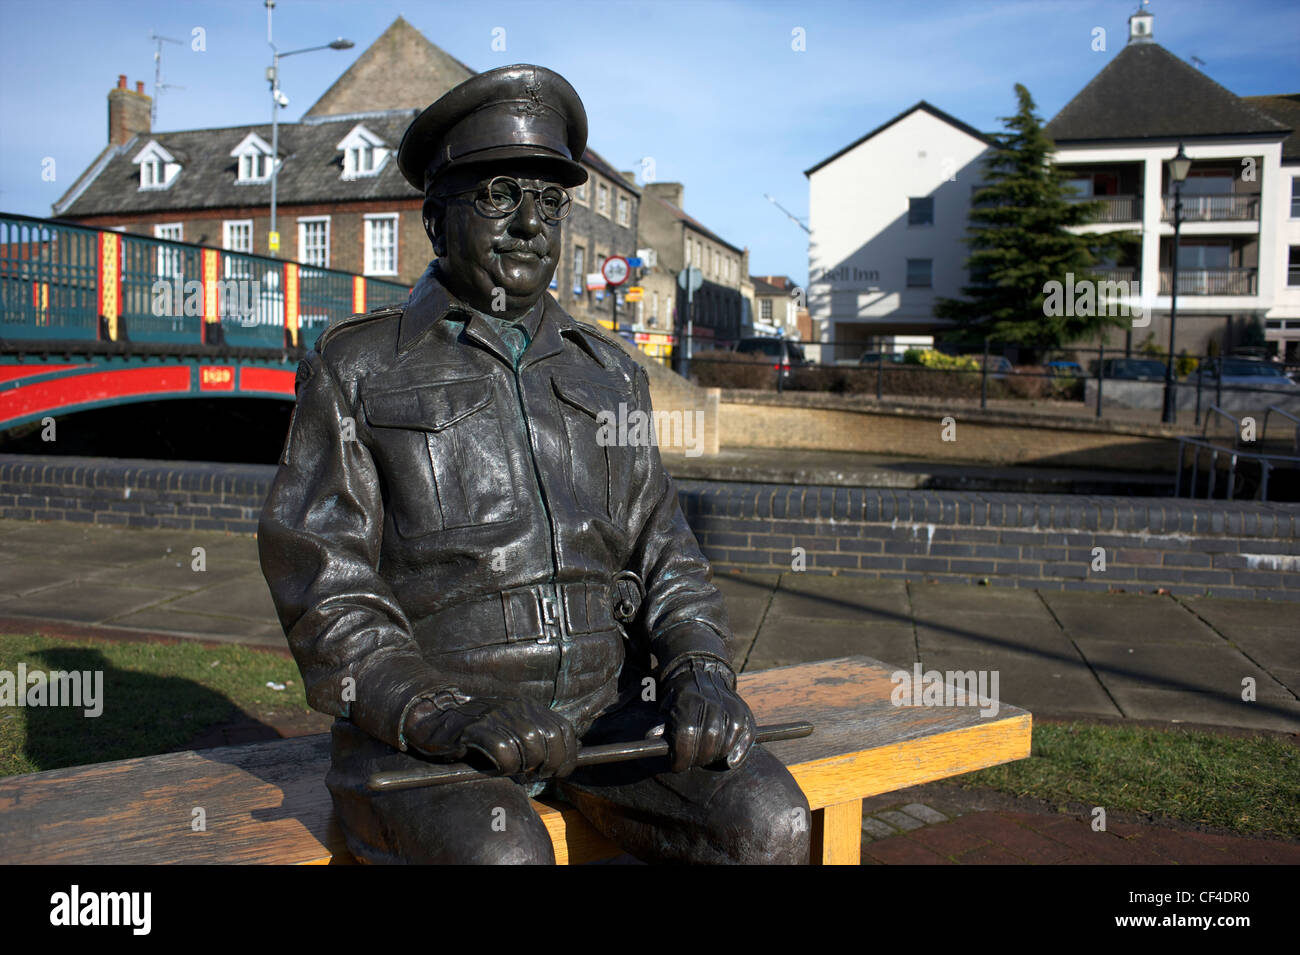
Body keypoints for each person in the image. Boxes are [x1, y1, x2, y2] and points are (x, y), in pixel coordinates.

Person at [258, 64, 809, 864]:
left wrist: (698, 667)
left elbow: (668, 552)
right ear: (434, 219)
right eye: (497, 195)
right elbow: (324, 584)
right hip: (434, 739)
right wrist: (439, 710)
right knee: (503, 855)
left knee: (771, 821)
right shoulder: (357, 368)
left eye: (549, 201)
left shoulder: (608, 373)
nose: (529, 223)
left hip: (607, 715)